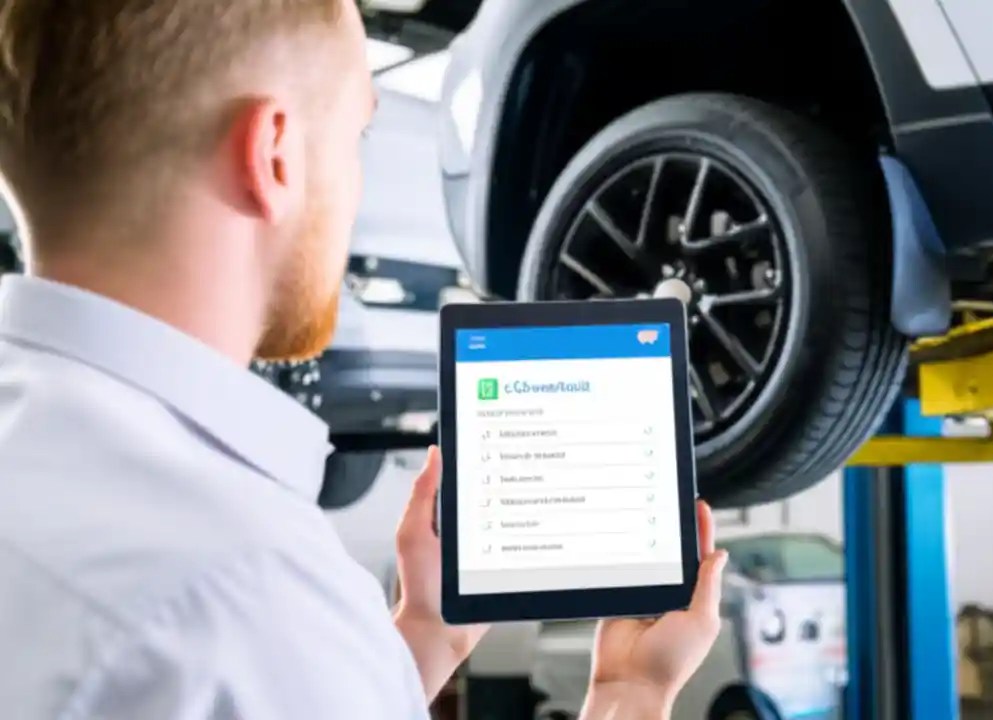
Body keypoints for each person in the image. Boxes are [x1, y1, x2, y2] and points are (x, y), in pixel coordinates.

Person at [0, 1, 729, 718]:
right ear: (273, 154)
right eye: (356, 136)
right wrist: (629, 694)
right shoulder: (241, 597)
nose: (354, 183)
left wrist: (422, 634)